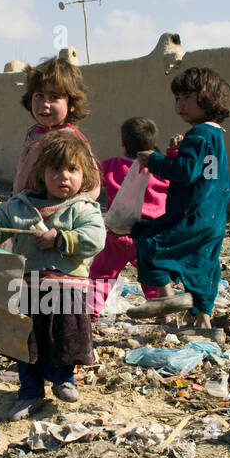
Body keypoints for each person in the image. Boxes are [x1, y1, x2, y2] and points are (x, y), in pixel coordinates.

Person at [0, 132, 105, 420]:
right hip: (26, 288)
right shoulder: (20, 206)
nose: (63, 176)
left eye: (72, 170)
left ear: (84, 176)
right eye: (55, 169)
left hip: (66, 290)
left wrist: (61, 239)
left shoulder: (83, 208)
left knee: (65, 338)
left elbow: (95, 239)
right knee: (25, 343)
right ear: (42, 174)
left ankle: (63, 379)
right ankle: (29, 392)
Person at [126, 67, 230, 332]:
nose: (180, 104)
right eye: (177, 98)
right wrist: (176, 153)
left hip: (191, 213)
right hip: (213, 216)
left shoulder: (198, 135)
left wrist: (155, 160)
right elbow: (204, 172)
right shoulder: (215, 134)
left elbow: (186, 172)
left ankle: (167, 298)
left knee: (147, 239)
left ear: (207, 98)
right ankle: (203, 323)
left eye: (187, 97)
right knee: (203, 264)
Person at [89, 117, 172, 318]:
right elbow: (178, 178)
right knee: (153, 276)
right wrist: (173, 154)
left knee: (102, 274)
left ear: (123, 145)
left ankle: (89, 312)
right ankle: (163, 313)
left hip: (118, 234)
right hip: (149, 236)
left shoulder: (113, 166)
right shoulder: (161, 169)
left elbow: (90, 175)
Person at [11, 55, 101, 200]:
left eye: (54, 97)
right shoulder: (33, 134)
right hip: (26, 204)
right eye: (39, 95)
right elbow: (22, 171)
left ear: (71, 104)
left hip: (59, 209)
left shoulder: (72, 138)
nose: (45, 103)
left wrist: (76, 205)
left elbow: (94, 184)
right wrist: (15, 197)